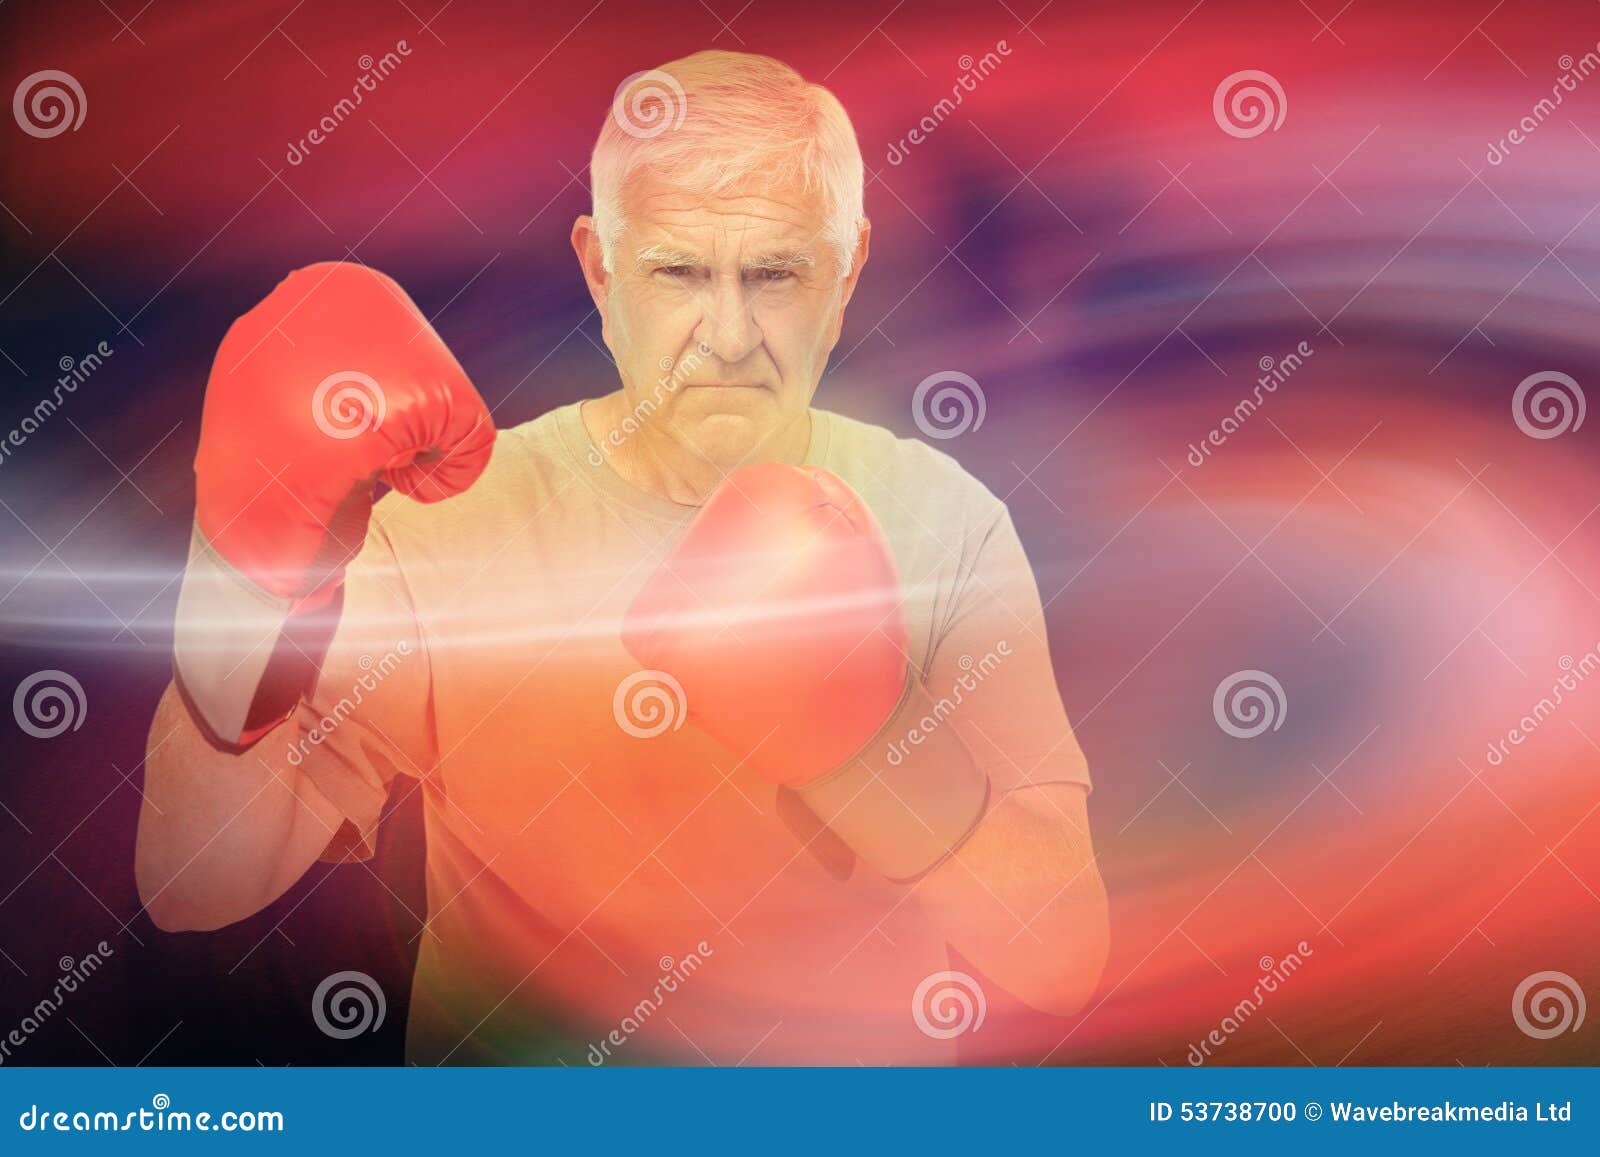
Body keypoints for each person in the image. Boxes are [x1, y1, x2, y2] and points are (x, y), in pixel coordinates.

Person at [134, 49, 1108, 1065]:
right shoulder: (455, 514)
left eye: (775, 271)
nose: (727, 336)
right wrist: (242, 573)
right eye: (678, 270)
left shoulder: (944, 522)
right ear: (601, 268)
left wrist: (871, 750)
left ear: (848, 267)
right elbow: (196, 882)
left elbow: (1060, 956)